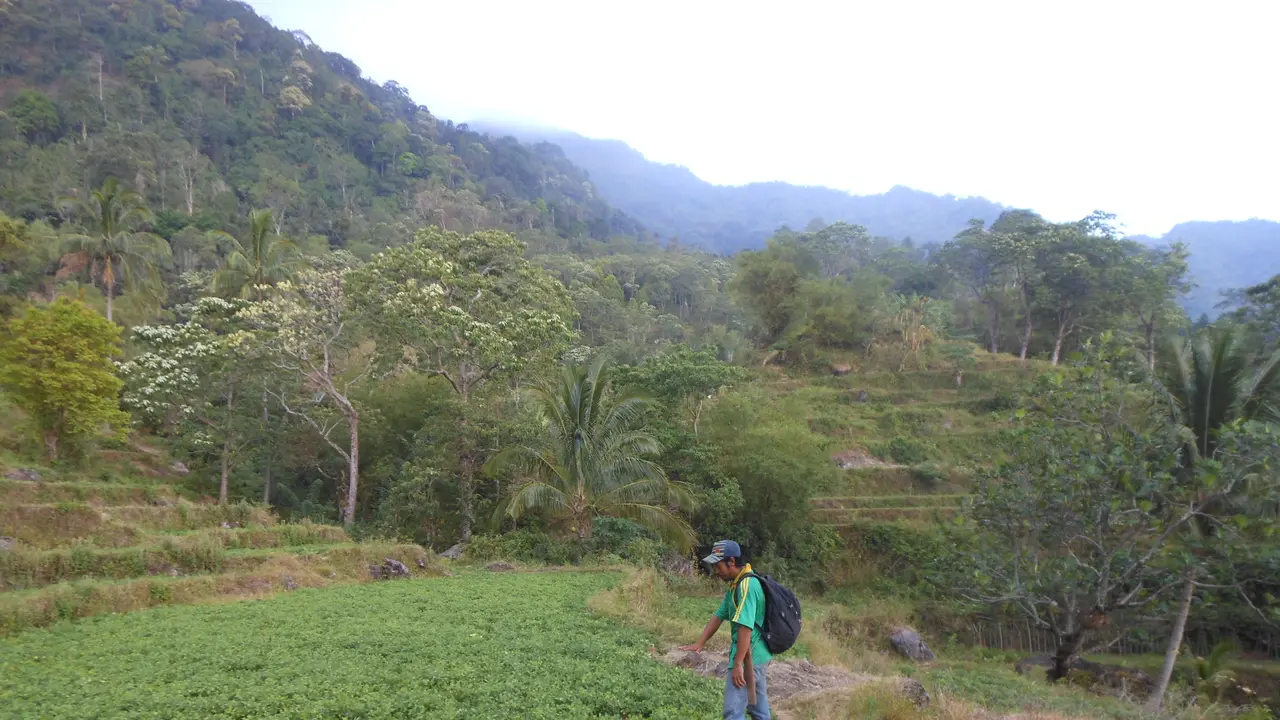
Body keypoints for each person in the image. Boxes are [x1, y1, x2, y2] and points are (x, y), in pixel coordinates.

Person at [679, 539, 772, 720]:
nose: (716, 571)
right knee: (757, 711)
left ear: (731, 562)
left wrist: (738, 664)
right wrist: (700, 643)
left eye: (718, 565)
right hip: (756, 656)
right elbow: (720, 615)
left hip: (748, 658)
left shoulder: (746, 585)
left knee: (732, 713)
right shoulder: (735, 584)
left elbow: (745, 627)